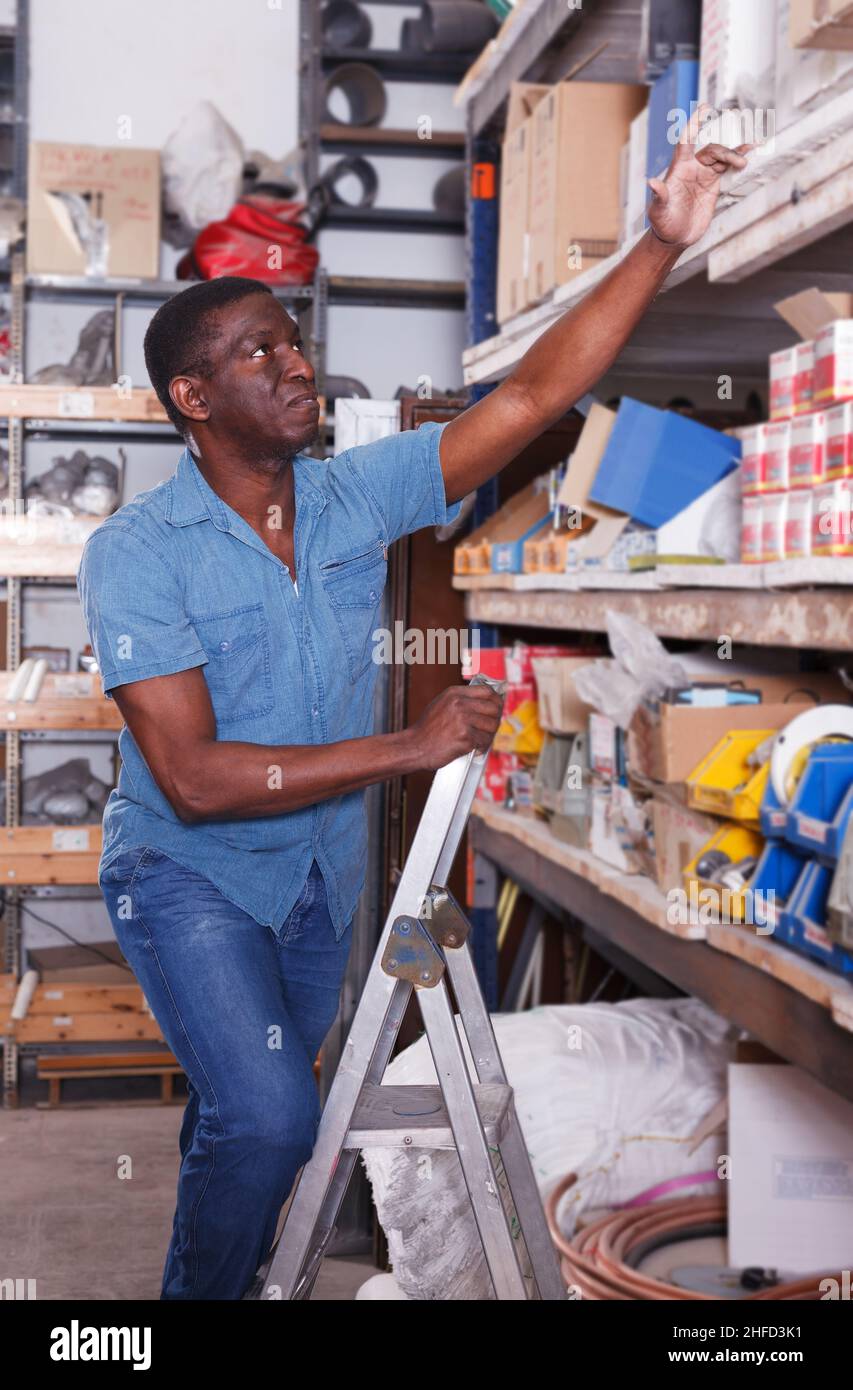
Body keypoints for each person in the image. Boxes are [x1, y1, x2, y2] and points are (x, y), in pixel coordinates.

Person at [78, 107, 749, 1300]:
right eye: (258, 354)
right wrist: (411, 744)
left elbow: (533, 394)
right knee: (277, 1119)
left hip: (314, 880)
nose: (296, 366)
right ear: (191, 396)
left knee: (245, 1113)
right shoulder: (138, 551)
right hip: (190, 873)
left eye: (295, 344)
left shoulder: (347, 496)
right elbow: (191, 776)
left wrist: (659, 242)